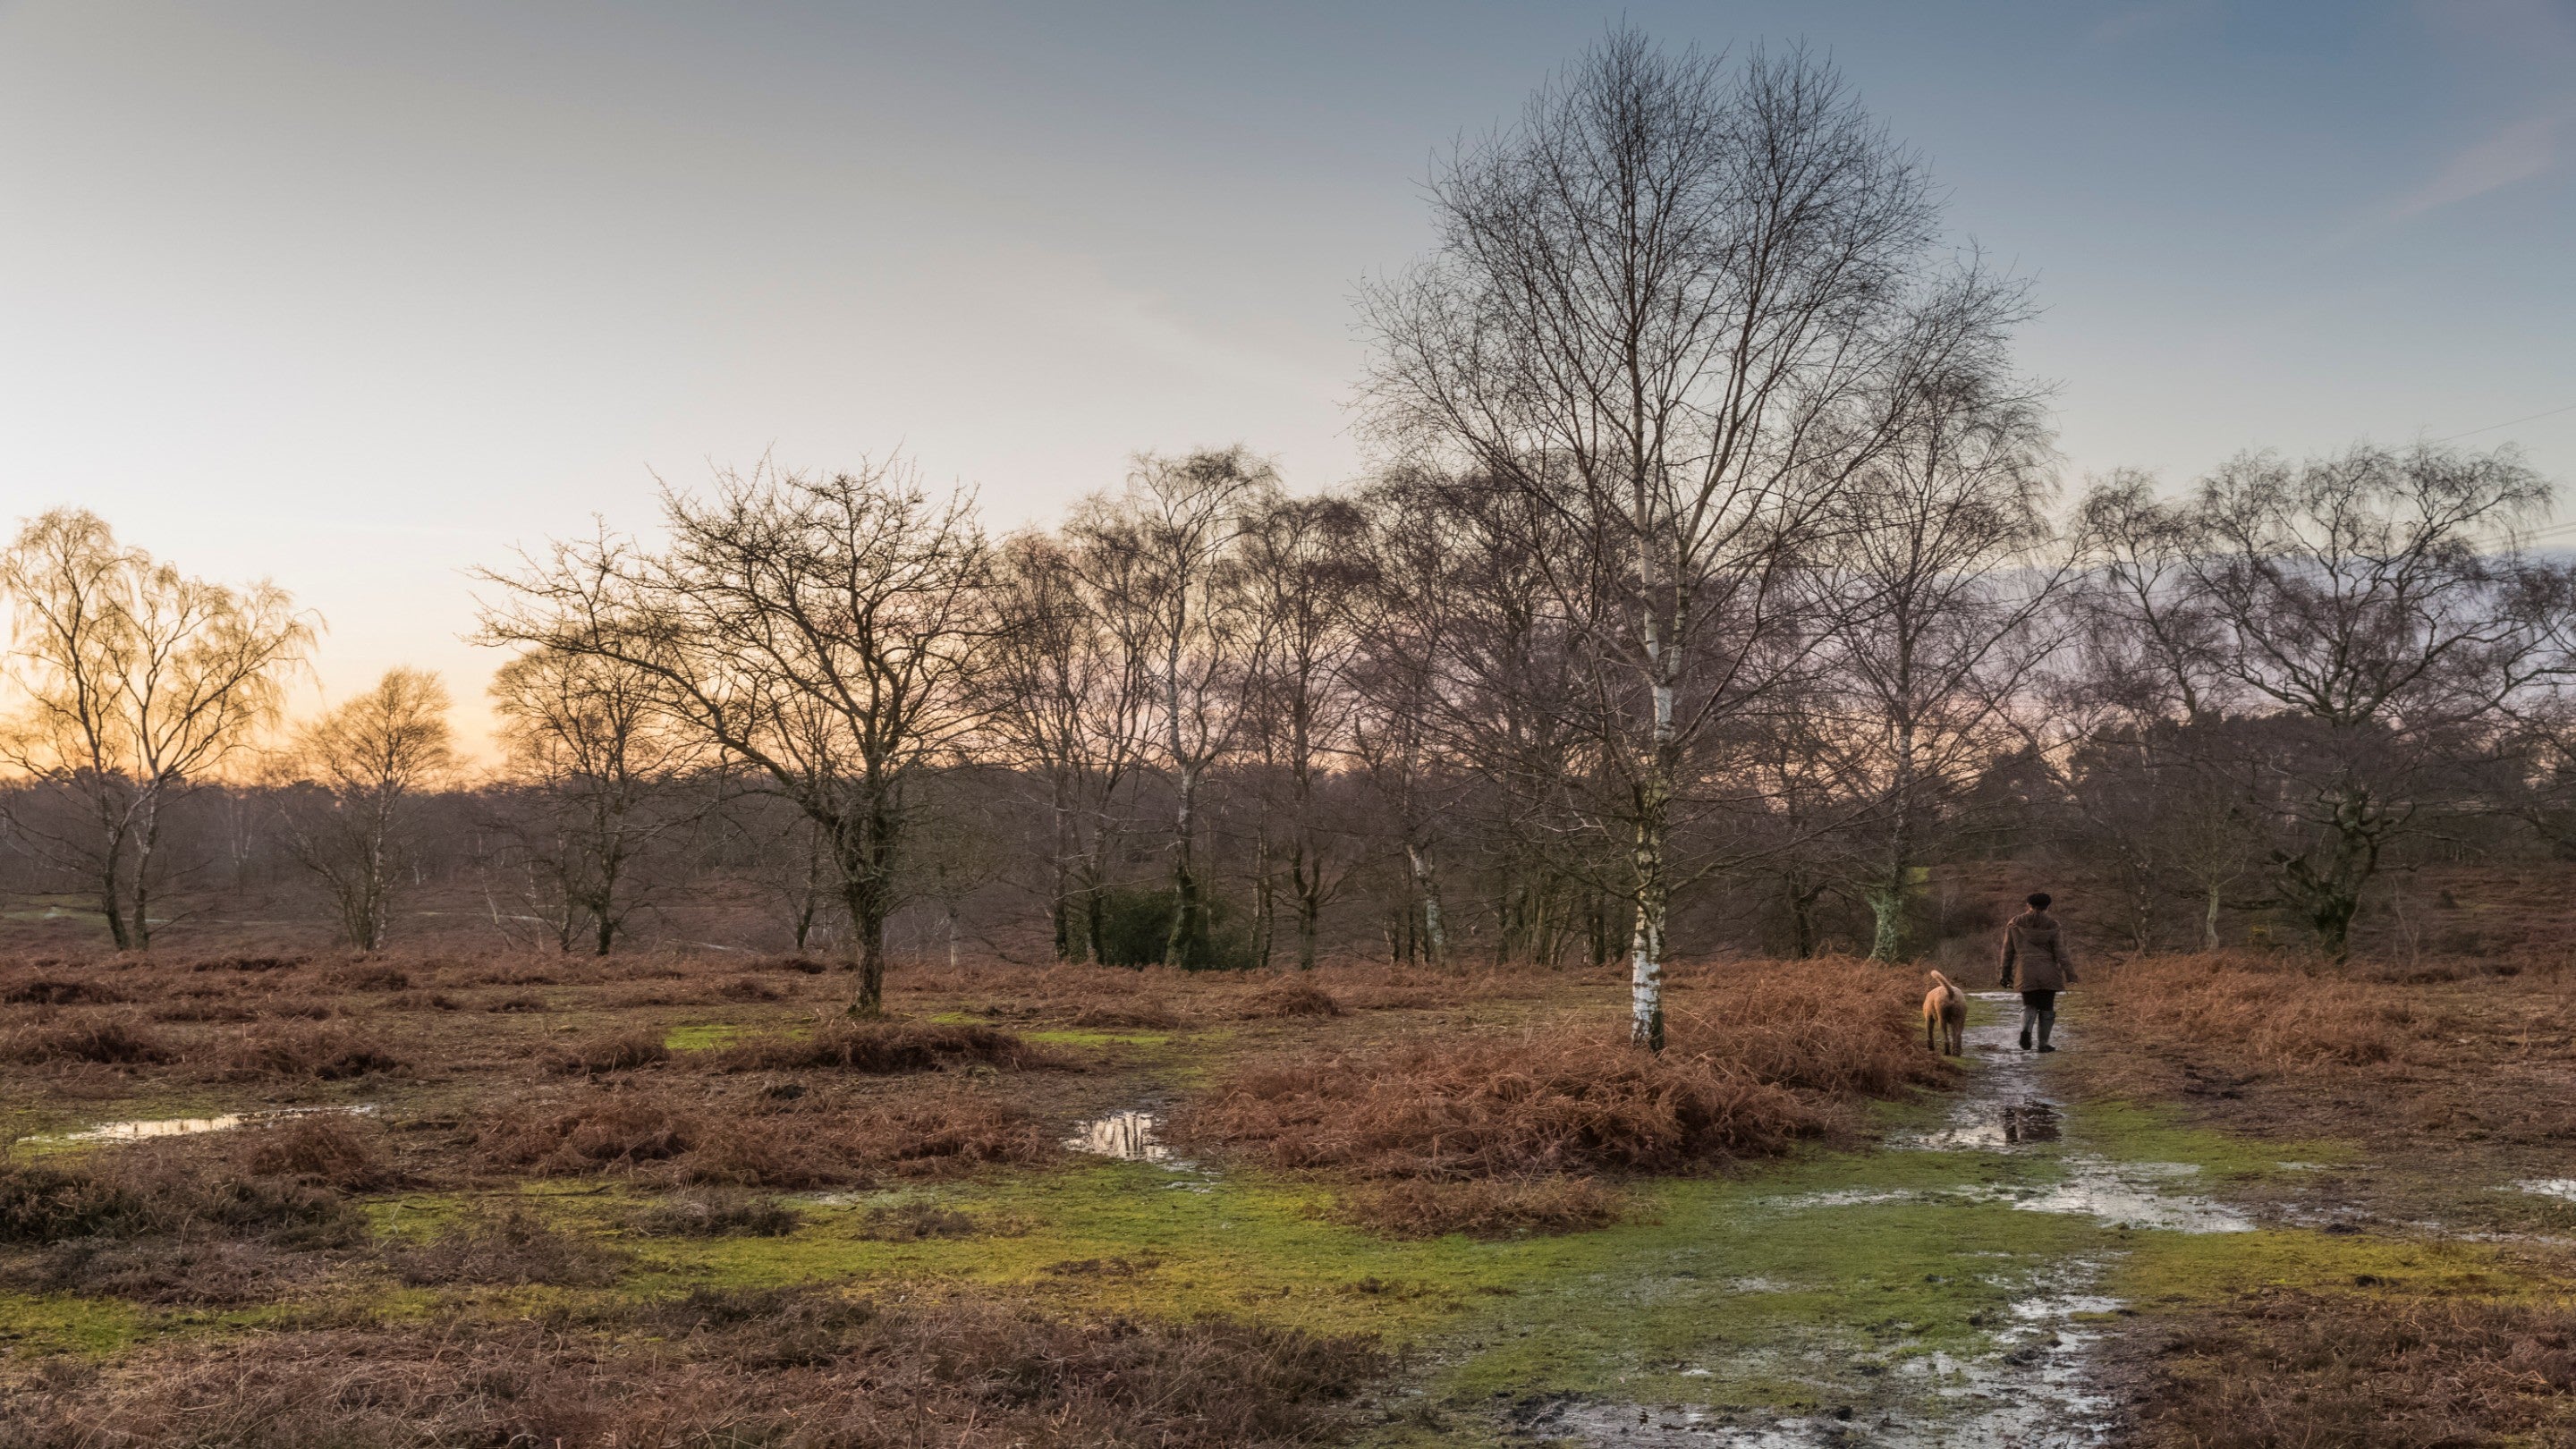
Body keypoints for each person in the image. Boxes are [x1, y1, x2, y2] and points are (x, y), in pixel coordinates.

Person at [1999, 891, 2077, 1052]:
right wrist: (2070, 973)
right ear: (2048, 906)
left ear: (2028, 905)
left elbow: (2007, 951)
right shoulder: (2053, 925)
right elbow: (2061, 952)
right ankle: (2043, 1044)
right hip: (2049, 970)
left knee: (2029, 1004)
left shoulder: (2015, 923)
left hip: (2025, 970)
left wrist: (2004, 974)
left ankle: (2025, 1031)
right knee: (2047, 1006)